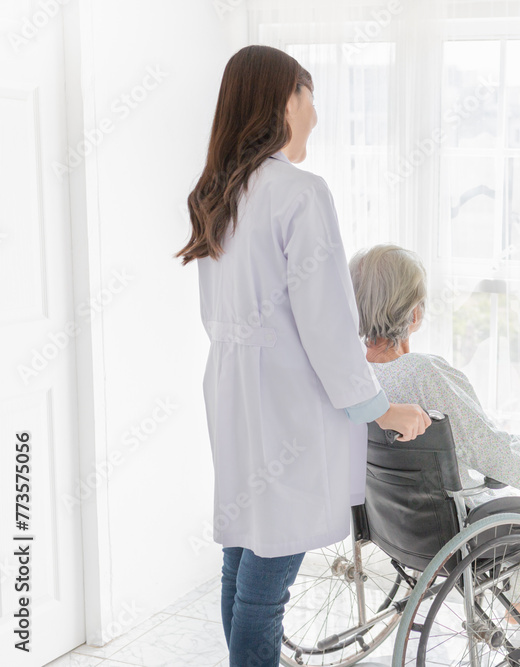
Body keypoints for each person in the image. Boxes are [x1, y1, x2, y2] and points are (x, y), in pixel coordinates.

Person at [175, 46, 429, 667]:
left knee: (243, 557)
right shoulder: (299, 192)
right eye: (309, 95)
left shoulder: (217, 191)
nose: (315, 112)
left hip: (234, 391)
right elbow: (328, 324)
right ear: (285, 100)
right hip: (286, 401)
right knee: (267, 584)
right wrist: (380, 407)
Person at [348, 243, 520, 633]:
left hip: (395, 527)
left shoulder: (349, 377)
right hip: (457, 532)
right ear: (414, 313)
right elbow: (498, 458)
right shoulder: (426, 374)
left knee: (507, 498)